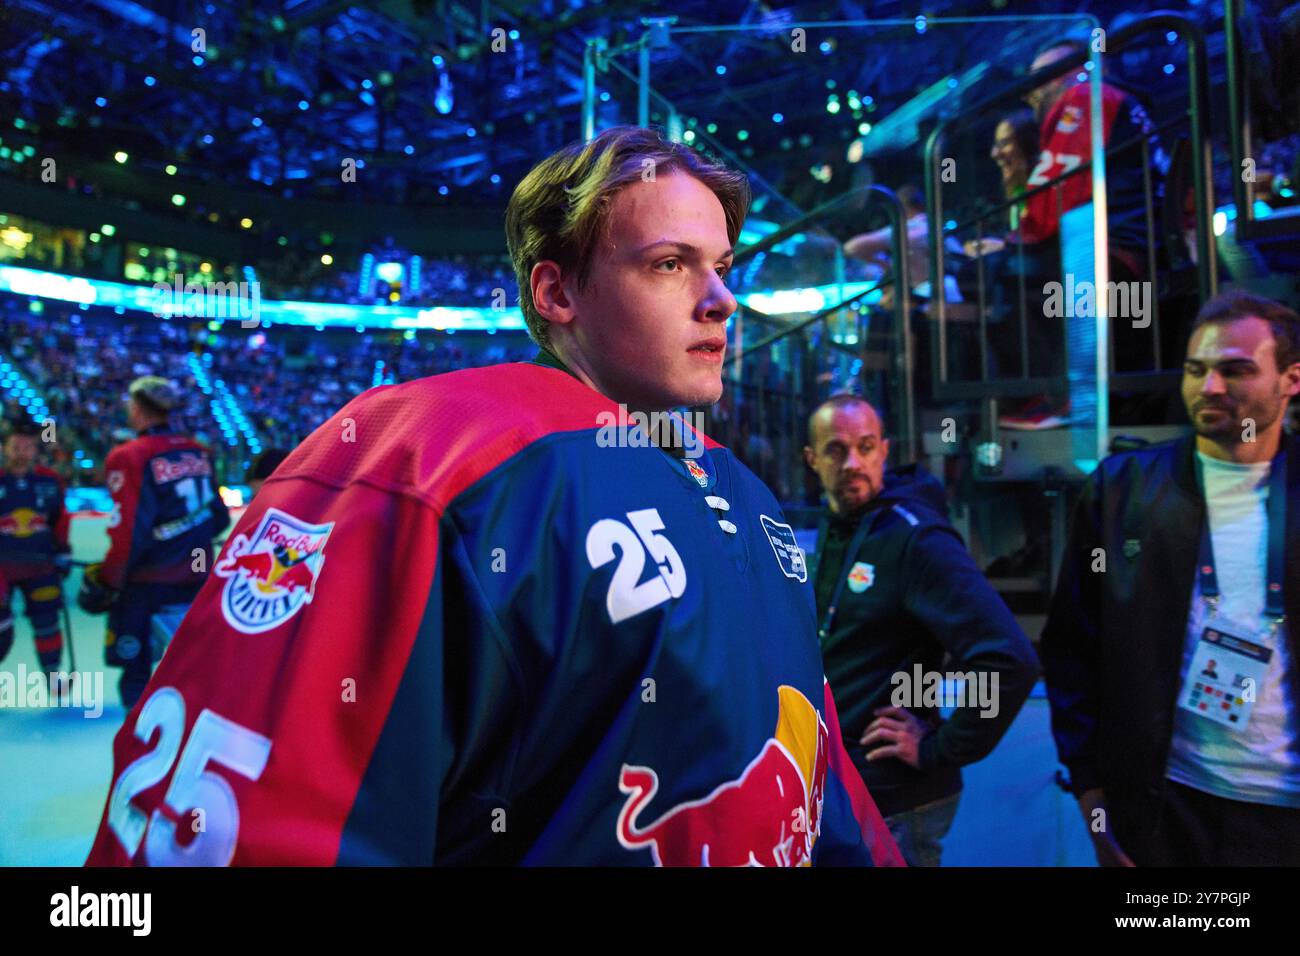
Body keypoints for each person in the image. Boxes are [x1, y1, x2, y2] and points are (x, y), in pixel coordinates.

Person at [85, 126, 904, 867]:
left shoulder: (752, 496)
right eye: (669, 264)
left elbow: (816, 783)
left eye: (722, 267)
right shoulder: (421, 457)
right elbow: (244, 826)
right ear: (557, 293)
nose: (722, 298)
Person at [1042, 290, 1300, 866]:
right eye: (1196, 369)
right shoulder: (1123, 491)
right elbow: (1071, 649)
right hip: (1168, 808)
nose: (1209, 387)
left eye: (1235, 370)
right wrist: (1092, 795)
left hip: (1285, 818)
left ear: (1291, 379)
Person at [804, 394, 1040, 865]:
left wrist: (938, 747)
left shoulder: (915, 538)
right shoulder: (836, 531)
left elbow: (1010, 659)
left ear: (885, 451)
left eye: (866, 447)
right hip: (843, 788)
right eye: (836, 450)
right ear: (811, 459)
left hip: (895, 799)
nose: (853, 463)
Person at [999, 36, 1166, 428]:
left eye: (1042, 77)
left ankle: (1049, 398)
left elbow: (1057, 197)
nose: (1033, 92)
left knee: (1000, 271)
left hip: (1115, 244)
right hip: (1133, 238)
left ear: (1076, 70)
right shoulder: (1113, 99)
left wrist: (1009, 241)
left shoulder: (1083, 98)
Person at [78, 376, 229, 709]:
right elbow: (218, 518)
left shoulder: (130, 456)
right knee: (192, 670)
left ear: (136, 408)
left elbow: (130, 532)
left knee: (136, 676)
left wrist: (109, 579)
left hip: (146, 586)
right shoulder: (198, 451)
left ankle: (142, 751)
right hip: (196, 580)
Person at [0, 417, 71, 681]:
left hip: (40, 565)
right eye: (15, 446)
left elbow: (60, 519)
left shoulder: (50, 481)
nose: (22, 452)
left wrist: (63, 551)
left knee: (47, 621)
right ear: (4, 448)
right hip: (1, 567)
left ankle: (53, 676)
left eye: (28, 446)